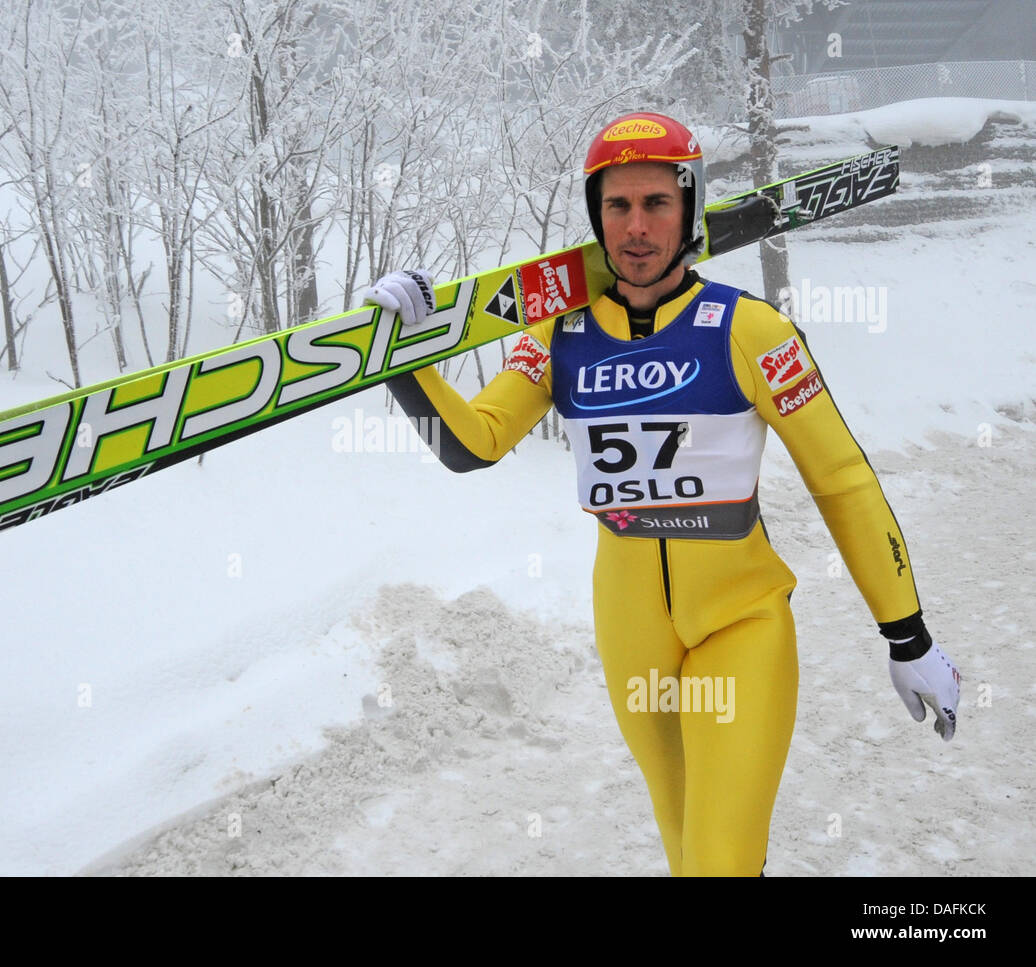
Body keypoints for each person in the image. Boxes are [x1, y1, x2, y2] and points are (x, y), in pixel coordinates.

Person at [366, 111, 961, 876]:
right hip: (630, 629)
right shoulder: (560, 335)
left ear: (689, 211)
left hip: (740, 622)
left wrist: (905, 632)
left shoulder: (749, 329)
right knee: (690, 856)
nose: (637, 227)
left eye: (657, 203)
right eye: (617, 206)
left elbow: (841, 479)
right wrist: (404, 353)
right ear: (596, 216)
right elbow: (470, 442)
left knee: (719, 862)